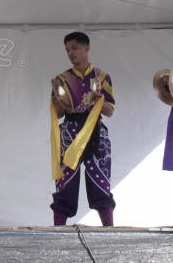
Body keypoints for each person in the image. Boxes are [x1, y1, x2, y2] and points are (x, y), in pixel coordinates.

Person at [50, 31, 116, 226]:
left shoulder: (102, 77)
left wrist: (99, 100)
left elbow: (110, 111)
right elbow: (59, 114)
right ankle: (58, 231)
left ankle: (109, 230)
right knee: (65, 182)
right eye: (67, 50)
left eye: (75, 48)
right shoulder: (61, 80)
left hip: (95, 131)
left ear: (87, 48)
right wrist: (58, 103)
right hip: (70, 132)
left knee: (100, 179)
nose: (71, 53)